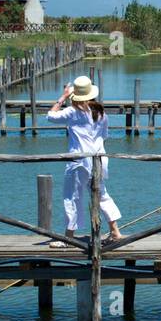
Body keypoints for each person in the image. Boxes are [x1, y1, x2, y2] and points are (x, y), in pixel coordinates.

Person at [47, 75, 123, 247]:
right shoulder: (101, 112)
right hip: (99, 158)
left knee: (72, 197)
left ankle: (69, 237)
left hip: (80, 160)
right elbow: (104, 136)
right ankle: (115, 232)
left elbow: (50, 116)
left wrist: (63, 97)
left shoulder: (72, 112)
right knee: (102, 194)